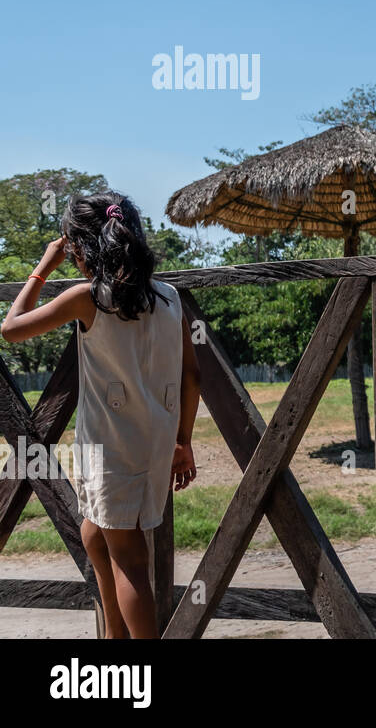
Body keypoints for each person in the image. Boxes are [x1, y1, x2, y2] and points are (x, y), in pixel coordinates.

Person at [2, 193, 199, 638]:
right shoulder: (169, 298)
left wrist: (42, 268)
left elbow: (11, 329)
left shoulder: (87, 299)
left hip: (107, 447)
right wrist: (183, 441)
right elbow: (193, 377)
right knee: (94, 530)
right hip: (152, 444)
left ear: (78, 247)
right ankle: (114, 636)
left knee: (131, 561)